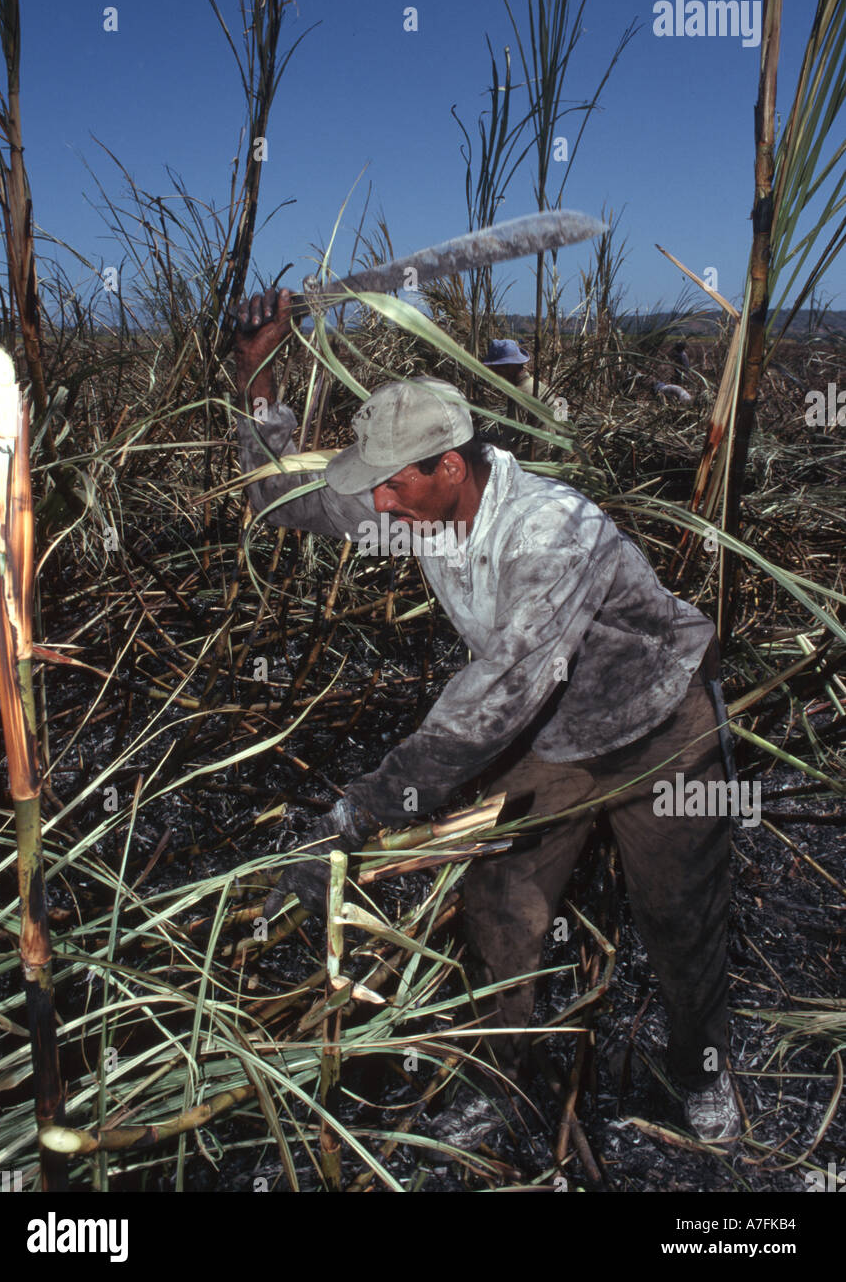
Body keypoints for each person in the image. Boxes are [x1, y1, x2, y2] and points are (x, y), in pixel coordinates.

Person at [232, 287, 740, 1143]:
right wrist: (259, 376)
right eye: (376, 490)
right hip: (546, 730)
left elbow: (497, 694)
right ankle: (500, 1084)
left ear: (450, 468)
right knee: (499, 902)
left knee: (680, 912)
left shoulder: (550, 530)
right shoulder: (406, 497)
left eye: (391, 488)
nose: (379, 509)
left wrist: (359, 810)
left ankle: (700, 1073)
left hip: (658, 724)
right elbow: (279, 504)